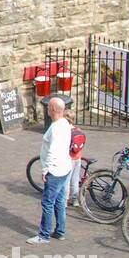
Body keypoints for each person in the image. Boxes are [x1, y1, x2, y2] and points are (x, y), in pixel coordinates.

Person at [29, 96, 72, 243]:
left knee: (47, 202)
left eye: (48, 108)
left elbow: (53, 151)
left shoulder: (55, 128)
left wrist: (46, 170)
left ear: (53, 110)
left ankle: (44, 235)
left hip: (55, 171)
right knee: (59, 201)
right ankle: (60, 231)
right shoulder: (65, 123)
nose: (47, 109)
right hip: (65, 168)